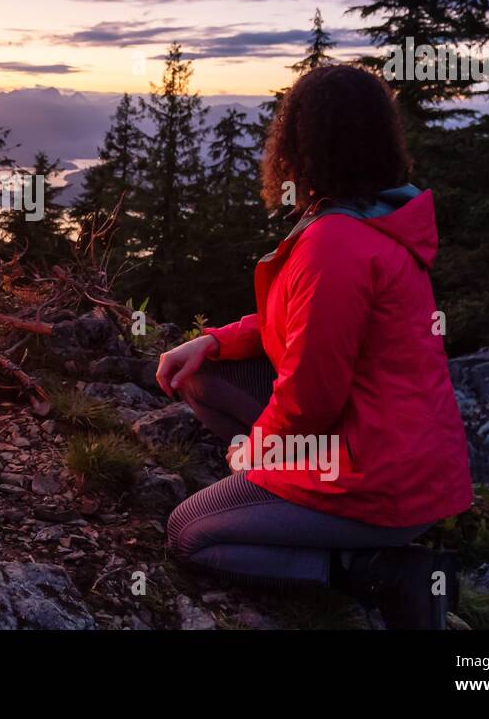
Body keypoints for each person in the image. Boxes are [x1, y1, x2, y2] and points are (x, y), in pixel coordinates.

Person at [157, 64, 472, 628]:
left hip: (377, 480)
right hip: (387, 449)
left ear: (299, 141)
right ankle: (276, 505)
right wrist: (211, 339)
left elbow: (311, 399)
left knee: (189, 535)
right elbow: (301, 323)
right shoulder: (368, 216)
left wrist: (256, 454)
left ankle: (379, 570)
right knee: (203, 374)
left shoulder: (337, 241)